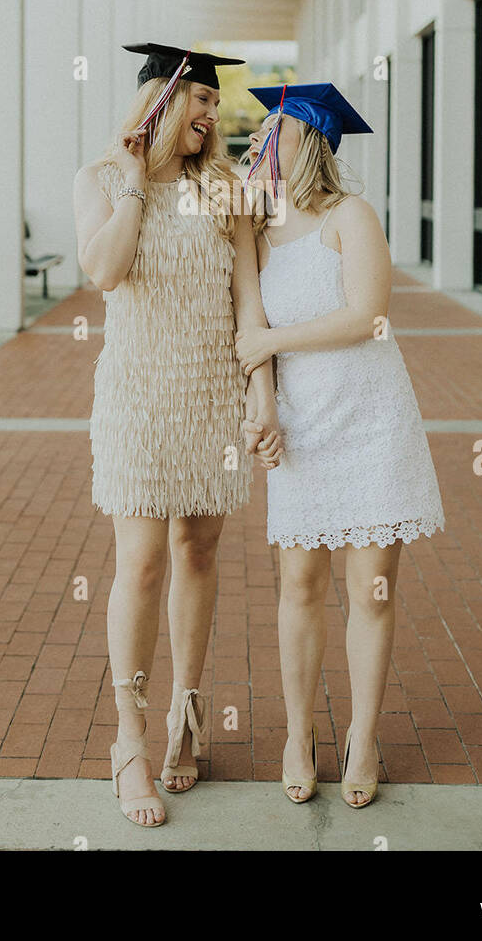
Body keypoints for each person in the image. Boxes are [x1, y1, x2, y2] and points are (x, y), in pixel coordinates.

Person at [73, 43, 282, 828]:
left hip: (212, 401)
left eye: (212, 104)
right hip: (135, 400)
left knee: (199, 550)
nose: (208, 115)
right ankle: (129, 737)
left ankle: (184, 718)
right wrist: (134, 185)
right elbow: (104, 272)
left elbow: (249, 304)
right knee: (142, 560)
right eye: (196, 99)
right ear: (157, 102)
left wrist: (262, 397)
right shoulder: (97, 181)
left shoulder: (224, 190)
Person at [235, 82, 445, 807]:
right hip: (301, 425)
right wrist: (261, 403)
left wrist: (269, 339)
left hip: (371, 420)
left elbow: (368, 315)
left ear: (311, 141)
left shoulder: (351, 215)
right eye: (259, 130)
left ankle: (363, 734)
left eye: (275, 129)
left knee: (370, 592)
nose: (261, 139)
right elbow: (245, 333)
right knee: (298, 584)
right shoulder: (253, 228)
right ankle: (300, 734)